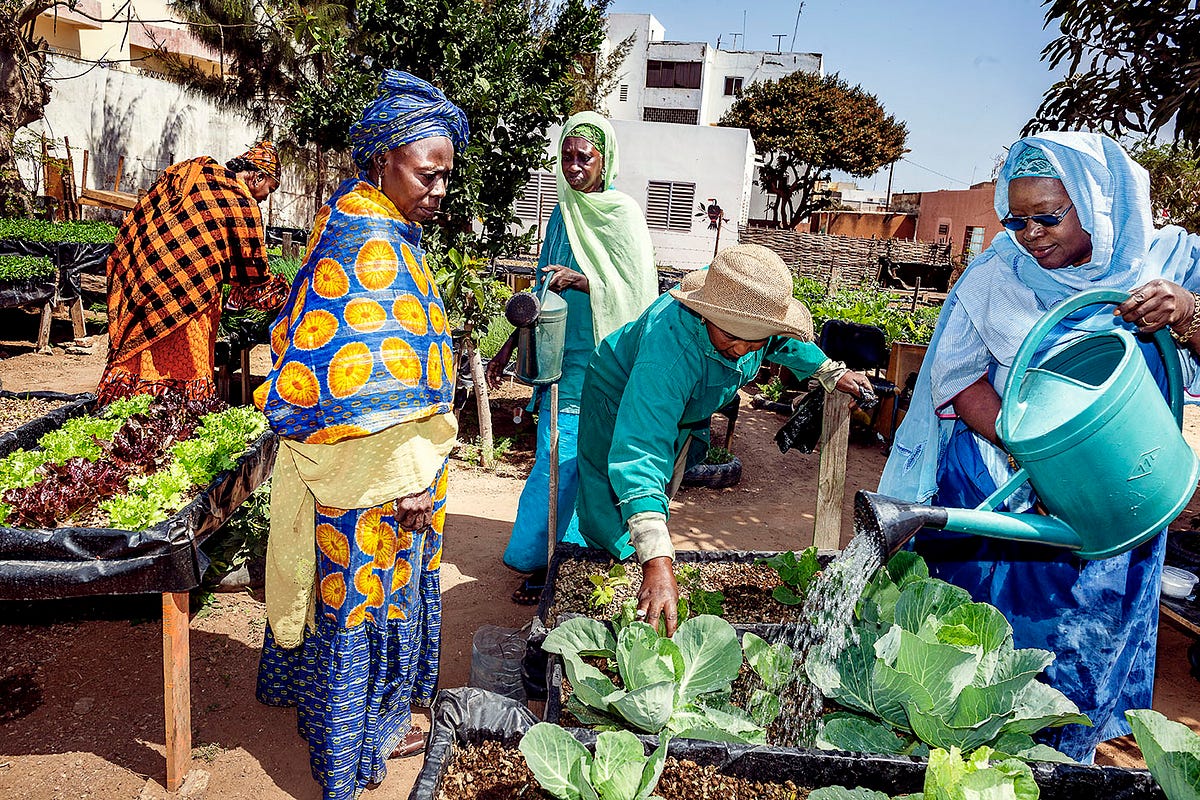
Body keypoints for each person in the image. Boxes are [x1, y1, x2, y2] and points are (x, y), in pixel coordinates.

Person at [879, 132, 1200, 762]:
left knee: (1084, 646)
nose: (1030, 234)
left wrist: (1189, 315)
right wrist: (1036, 453)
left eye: (1048, 217)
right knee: (981, 651)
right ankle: (969, 765)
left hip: (1117, 493)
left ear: (1100, 204)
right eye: (1015, 219)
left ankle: (1062, 763)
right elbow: (958, 377)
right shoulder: (996, 274)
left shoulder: (1171, 265)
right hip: (997, 488)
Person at [253, 70, 468, 799]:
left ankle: (327, 717)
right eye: (427, 173)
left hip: (347, 472)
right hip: (377, 480)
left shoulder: (349, 219)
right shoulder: (374, 244)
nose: (438, 188)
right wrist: (411, 479)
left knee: (341, 596)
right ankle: (354, 747)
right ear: (382, 159)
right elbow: (372, 387)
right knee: (366, 600)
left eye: (445, 176)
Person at [575, 243, 873, 635]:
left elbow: (781, 340)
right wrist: (659, 563)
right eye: (733, 338)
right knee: (611, 499)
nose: (743, 351)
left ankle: (644, 555)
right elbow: (640, 449)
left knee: (662, 486)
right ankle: (611, 576)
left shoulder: (747, 299)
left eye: (755, 342)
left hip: (685, 408)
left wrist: (828, 370)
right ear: (705, 314)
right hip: (617, 399)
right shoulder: (668, 353)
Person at [485, 111, 658, 604]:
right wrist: (506, 350)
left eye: (585, 157)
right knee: (552, 459)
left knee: (584, 460)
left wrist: (584, 282)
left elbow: (639, 291)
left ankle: (572, 560)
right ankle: (543, 556)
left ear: (606, 161)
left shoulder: (621, 215)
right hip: (557, 357)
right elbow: (537, 292)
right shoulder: (562, 213)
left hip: (605, 361)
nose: (574, 166)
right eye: (567, 156)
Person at [98, 141, 288, 404]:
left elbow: (145, 213)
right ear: (257, 177)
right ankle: (174, 416)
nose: (268, 196)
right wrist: (286, 297)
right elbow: (253, 275)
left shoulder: (193, 174)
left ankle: (127, 407)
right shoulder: (243, 203)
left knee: (142, 353)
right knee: (186, 364)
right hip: (191, 294)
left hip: (146, 279)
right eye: (271, 188)